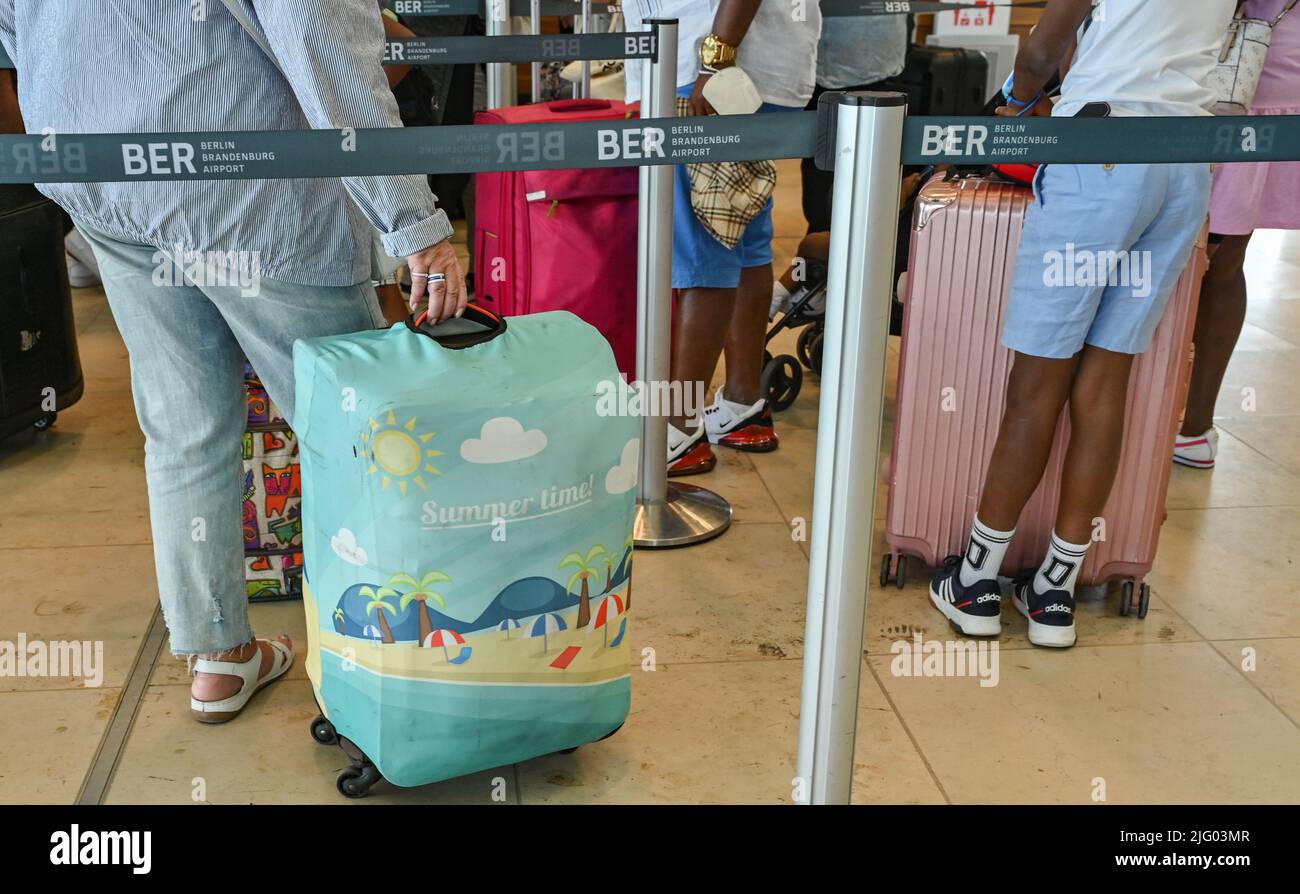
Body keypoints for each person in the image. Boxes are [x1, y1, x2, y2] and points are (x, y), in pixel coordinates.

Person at [0, 0, 467, 721]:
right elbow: (321, 41)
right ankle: (400, 664)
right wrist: (414, 222)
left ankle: (218, 655)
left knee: (185, 430)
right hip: (252, 188)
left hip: (104, 176)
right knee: (359, 439)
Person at [929, 0, 1236, 649]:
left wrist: (1016, 96)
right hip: (1184, 168)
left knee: (1037, 384)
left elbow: (1042, 52)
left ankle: (977, 581)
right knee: (1105, 382)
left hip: (1101, 159)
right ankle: (1055, 593)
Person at [623, 0, 822, 474]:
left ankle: (677, 428)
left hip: (708, 68)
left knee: (703, 246)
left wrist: (716, 60)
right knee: (741, 238)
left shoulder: (710, 66)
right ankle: (741, 405)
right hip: (733, 67)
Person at [1176, 0, 1300, 469]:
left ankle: (1188, 423)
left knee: (1210, 260)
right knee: (1210, 262)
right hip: (1225, 79)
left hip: (1242, 88)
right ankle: (1183, 420)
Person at [800, 12, 907, 234]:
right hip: (823, 66)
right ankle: (822, 253)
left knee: (874, 169)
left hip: (875, 61)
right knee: (823, 168)